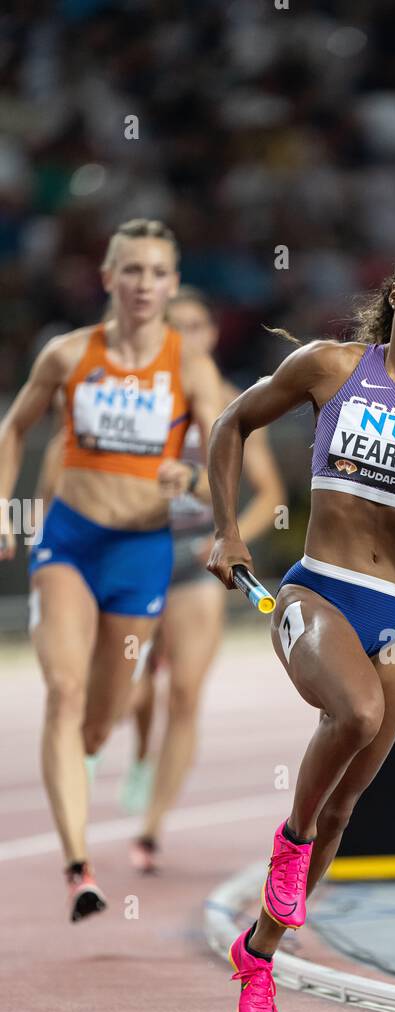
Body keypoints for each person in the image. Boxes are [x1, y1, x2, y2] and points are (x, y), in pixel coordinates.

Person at [206, 242, 395, 1012]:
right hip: (318, 591)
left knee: (348, 811)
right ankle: (289, 839)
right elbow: (232, 423)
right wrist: (226, 532)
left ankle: (260, 956)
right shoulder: (332, 368)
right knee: (357, 715)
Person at [0, 219, 224, 919]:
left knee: (100, 719)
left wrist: (187, 482)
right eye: (131, 270)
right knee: (63, 693)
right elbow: (13, 428)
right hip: (70, 543)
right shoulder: (68, 354)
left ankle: (94, 754)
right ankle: (79, 867)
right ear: (108, 279)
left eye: (157, 272)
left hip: (143, 554)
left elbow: (225, 466)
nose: (144, 285)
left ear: (172, 283)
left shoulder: (190, 366)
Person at [120, 288, 285, 872]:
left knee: (184, 693)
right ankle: (140, 751)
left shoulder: (231, 404)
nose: (186, 336)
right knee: (133, 689)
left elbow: (269, 494)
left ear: (212, 333)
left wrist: (231, 537)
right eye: (175, 327)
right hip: (135, 553)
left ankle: (151, 829)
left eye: (196, 325)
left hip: (194, 561)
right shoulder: (139, 395)